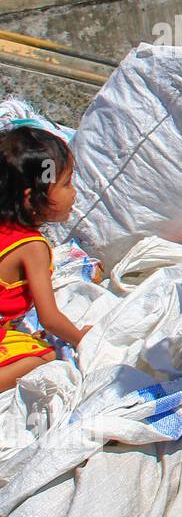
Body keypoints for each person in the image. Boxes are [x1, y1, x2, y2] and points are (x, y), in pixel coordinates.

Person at [0, 127, 91, 392]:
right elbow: (49, 318)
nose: (74, 193)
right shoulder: (31, 248)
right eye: (66, 184)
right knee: (47, 355)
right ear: (33, 198)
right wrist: (81, 338)